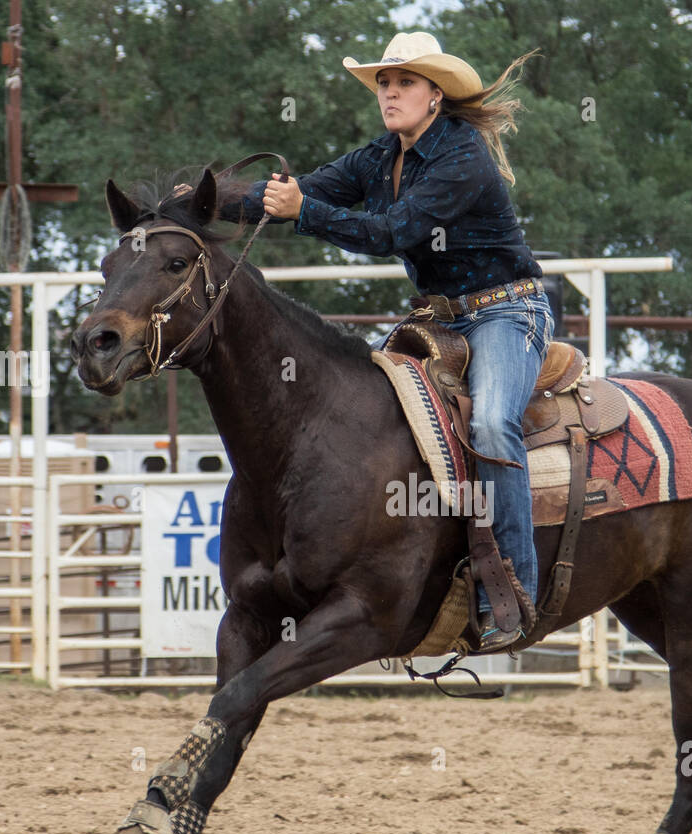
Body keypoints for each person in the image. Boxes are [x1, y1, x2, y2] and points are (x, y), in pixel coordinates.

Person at [225, 32, 551, 652]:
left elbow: (394, 232)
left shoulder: (464, 157)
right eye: (384, 83)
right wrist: (196, 204)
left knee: (491, 426)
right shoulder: (381, 156)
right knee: (365, 425)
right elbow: (297, 194)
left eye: (404, 82)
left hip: (507, 312)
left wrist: (304, 211)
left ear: (435, 96)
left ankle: (511, 588)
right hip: (438, 319)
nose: (391, 92)